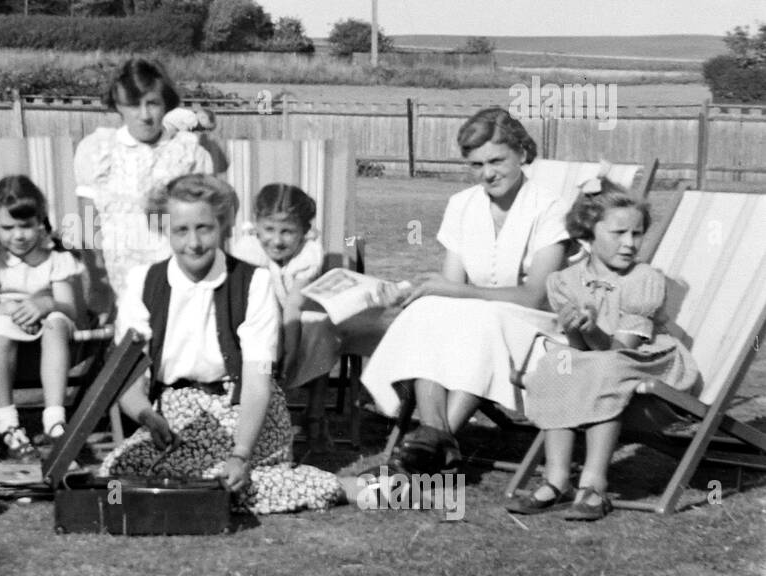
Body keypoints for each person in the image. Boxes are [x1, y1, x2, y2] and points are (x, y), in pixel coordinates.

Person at [98, 174, 345, 515]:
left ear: (224, 226)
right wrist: (146, 415)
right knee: (115, 475)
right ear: (165, 230)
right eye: (181, 230)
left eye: (204, 228)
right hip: (174, 411)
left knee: (216, 478)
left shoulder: (253, 282)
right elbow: (127, 376)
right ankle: (261, 485)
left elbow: (258, 379)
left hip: (241, 408)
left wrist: (241, 453)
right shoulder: (143, 282)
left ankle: (340, 487)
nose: (194, 243)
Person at [360, 108, 570, 474]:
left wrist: (457, 293)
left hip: (537, 326)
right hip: (481, 320)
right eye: (476, 165)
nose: (487, 174)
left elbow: (535, 295)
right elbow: (449, 287)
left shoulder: (549, 207)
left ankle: (430, 442)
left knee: (479, 316)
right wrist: (425, 293)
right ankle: (437, 439)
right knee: (427, 311)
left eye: (496, 160)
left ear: (521, 152)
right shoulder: (463, 204)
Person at [508, 180, 697, 520]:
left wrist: (591, 328)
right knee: (556, 362)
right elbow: (582, 348)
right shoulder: (566, 280)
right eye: (619, 232)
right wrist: (575, 328)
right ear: (586, 237)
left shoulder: (643, 279)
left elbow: (621, 349)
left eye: (637, 234)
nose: (630, 243)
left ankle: (594, 483)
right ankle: (557, 479)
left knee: (603, 369)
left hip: (647, 361)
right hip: (601, 359)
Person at [73, 58, 214, 303]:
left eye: (153, 104)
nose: (145, 115)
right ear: (118, 105)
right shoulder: (96, 150)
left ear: (166, 104)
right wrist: (98, 282)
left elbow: (205, 224)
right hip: (120, 279)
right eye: (133, 105)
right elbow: (88, 223)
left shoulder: (189, 154)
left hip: (178, 280)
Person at [0, 175, 83, 457]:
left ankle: (54, 419)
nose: (18, 235)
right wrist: (6, 309)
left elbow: (70, 309)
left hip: (49, 325)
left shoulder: (55, 257)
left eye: (26, 226)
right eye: (7, 227)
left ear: (40, 222)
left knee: (57, 324)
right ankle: (7, 423)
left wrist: (47, 303)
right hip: (6, 327)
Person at [231, 184, 339, 448]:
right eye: (269, 230)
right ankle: (251, 405)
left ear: (304, 232)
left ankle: (314, 413)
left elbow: (294, 305)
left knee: (321, 329)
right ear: (256, 226)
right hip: (255, 314)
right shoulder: (248, 250)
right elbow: (249, 302)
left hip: (297, 317)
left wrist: (289, 354)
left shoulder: (308, 254)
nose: (277, 241)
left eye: (288, 232)